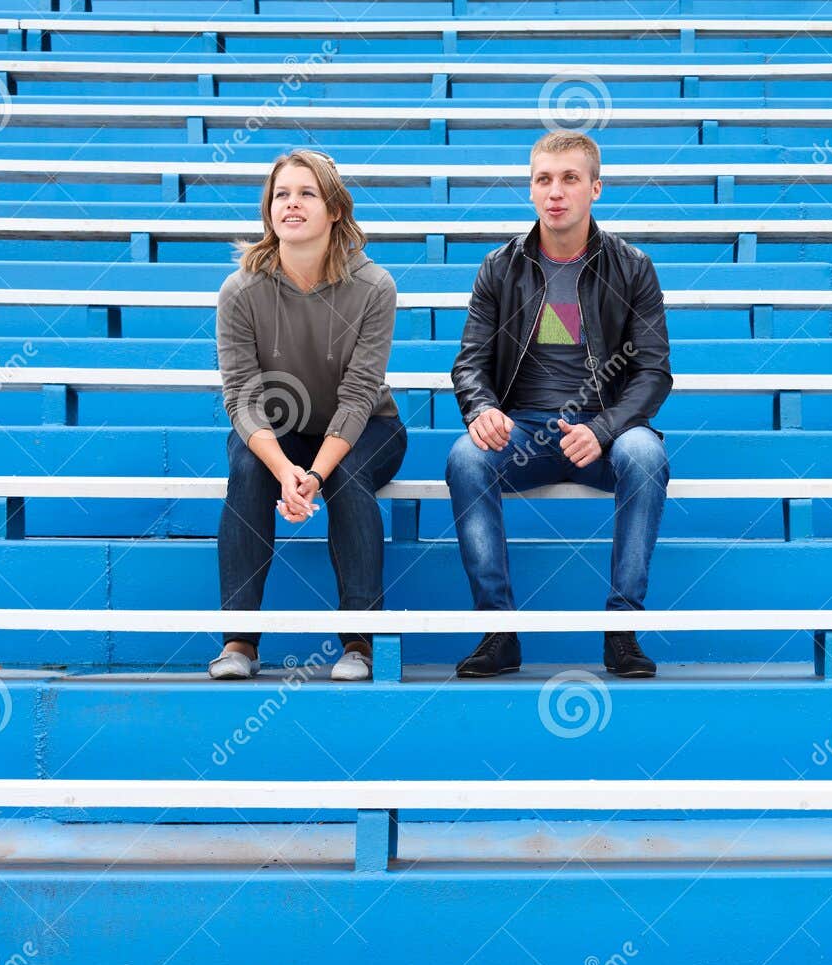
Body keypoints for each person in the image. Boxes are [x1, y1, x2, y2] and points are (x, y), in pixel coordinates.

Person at [446, 131, 672, 679]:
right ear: (529, 190)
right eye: (544, 179)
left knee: (645, 454)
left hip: (605, 433)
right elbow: (469, 362)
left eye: (570, 178)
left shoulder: (632, 267)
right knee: (464, 458)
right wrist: (482, 411)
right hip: (520, 430)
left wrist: (603, 428)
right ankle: (498, 632)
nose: (556, 192)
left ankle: (621, 630)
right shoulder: (500, 268)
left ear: (595, 188)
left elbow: (653, 372)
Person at [209, 149, 407, 681]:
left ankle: (360, 641)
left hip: (368, 428)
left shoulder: (374, 286)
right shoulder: (239, 291)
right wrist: (285, 471)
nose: (290, 205)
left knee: (345, 471)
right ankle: (239, 643)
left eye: (306, 194)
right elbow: (243, 399)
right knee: (246, 467)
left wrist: (314, 475)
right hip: (280, 434)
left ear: (335, 209)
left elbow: (360, 395)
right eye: (281, 195)